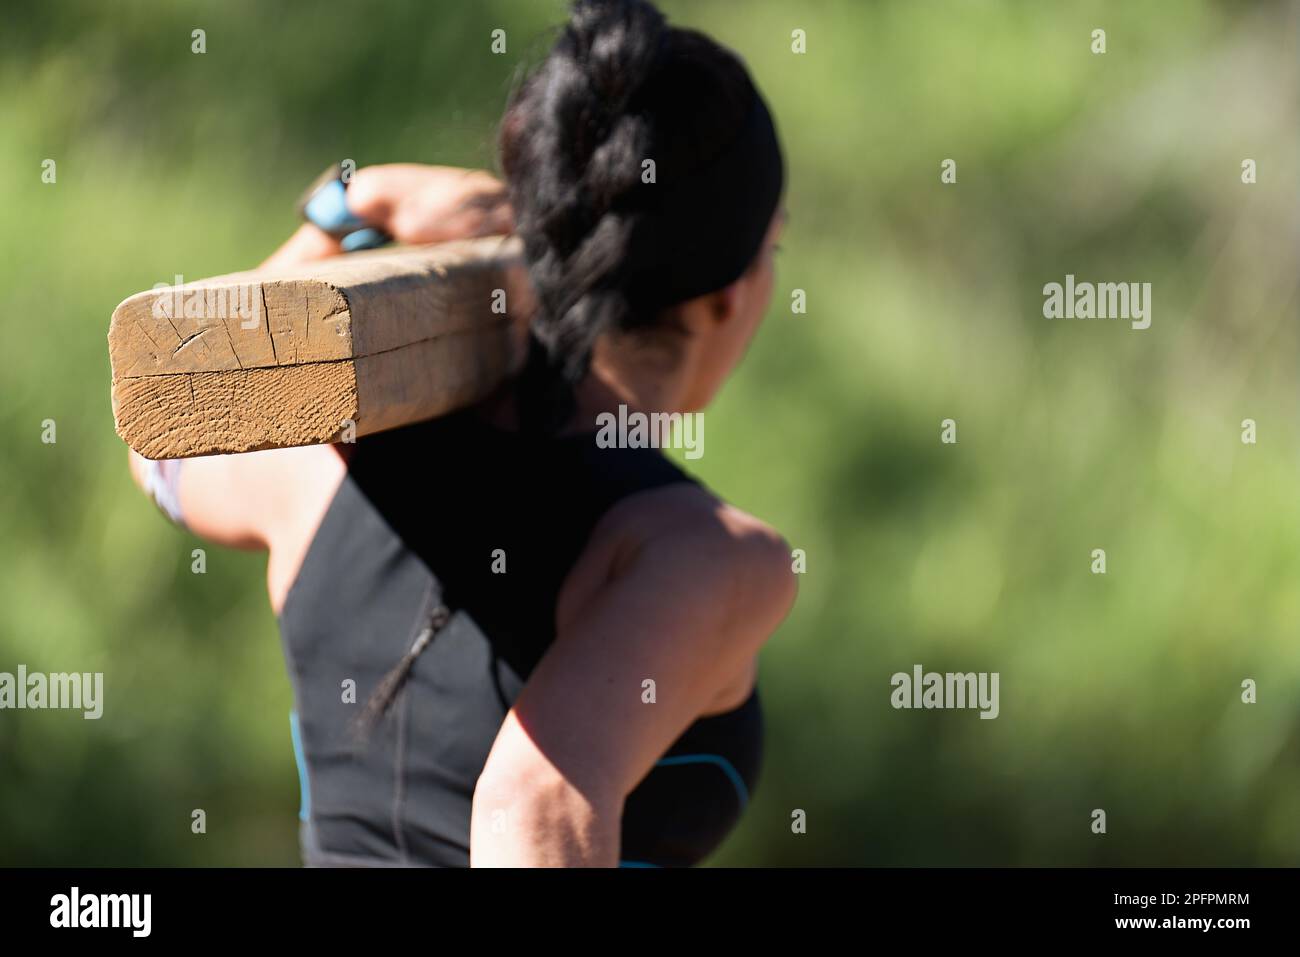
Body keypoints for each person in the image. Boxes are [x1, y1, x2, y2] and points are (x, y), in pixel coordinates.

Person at [128, 0, 794, 867]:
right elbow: (531, 802)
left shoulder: (331, 467)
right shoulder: (701, 557)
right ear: (726, 294)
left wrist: (349, 206)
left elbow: (164, 429)